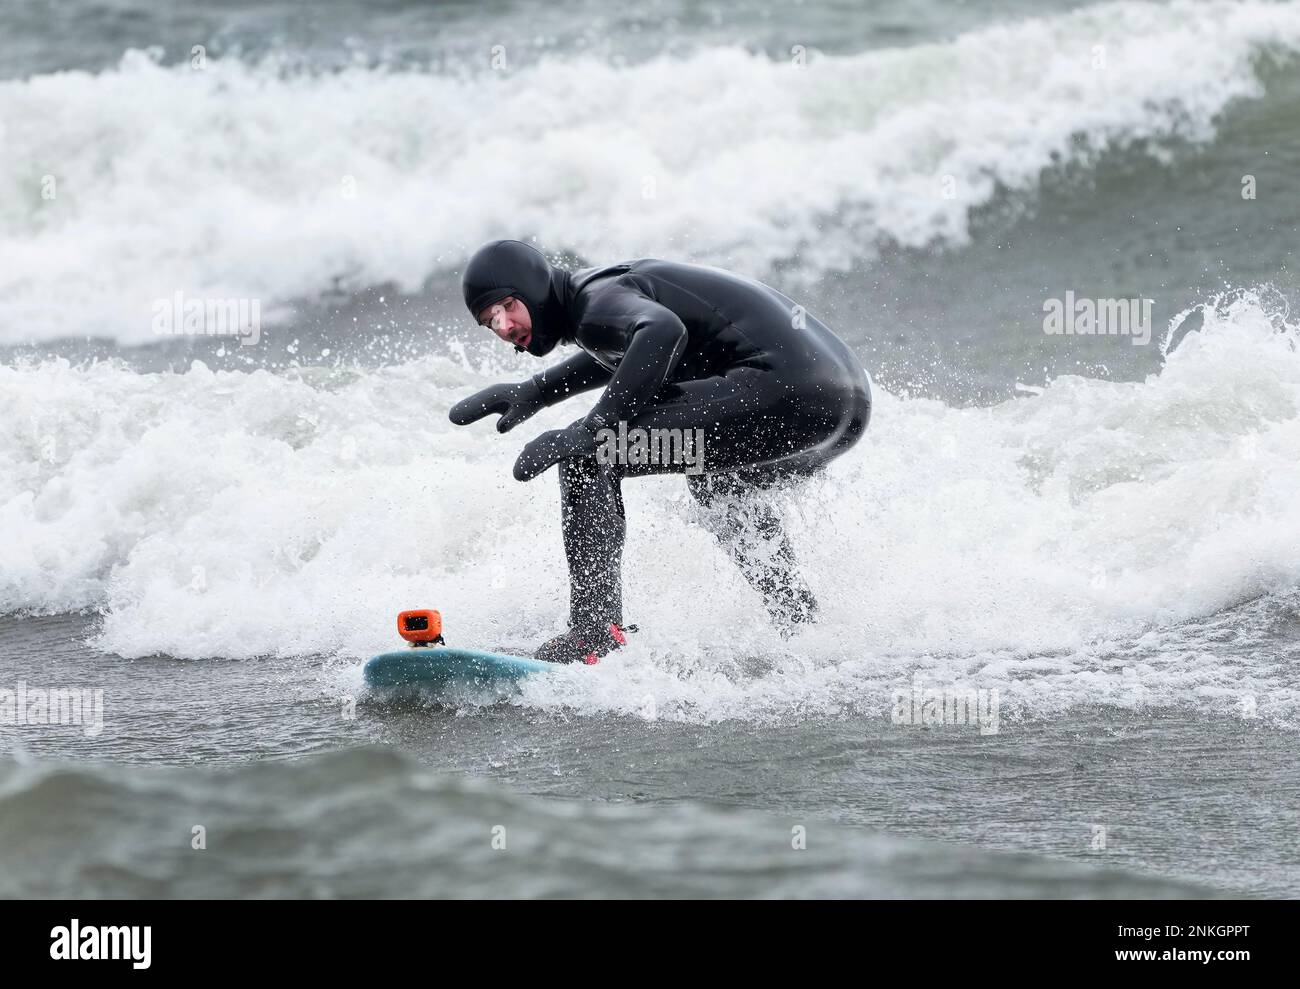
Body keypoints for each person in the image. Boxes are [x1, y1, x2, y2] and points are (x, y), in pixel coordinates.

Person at [450, 240, 871, 664]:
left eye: (508, 306)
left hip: (783, 391)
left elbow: (661, 332)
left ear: (535, 289)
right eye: (490, 321)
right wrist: (538, 392)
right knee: (717, 478)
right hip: (838, 406)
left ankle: (594, 633)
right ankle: (799, 621)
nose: (503, 326)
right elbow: (635, 346)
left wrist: (598, 428)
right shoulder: (603, 292)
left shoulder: (596, 302)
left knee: (591, 455)